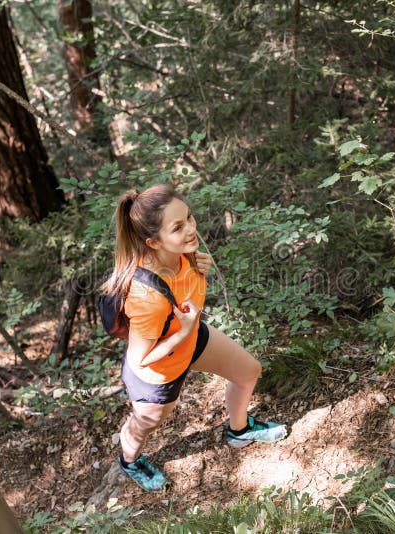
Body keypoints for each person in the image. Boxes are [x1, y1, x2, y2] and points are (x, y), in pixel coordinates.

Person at [100, 183, 286, 492]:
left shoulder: (184, 255)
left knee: (248, 372)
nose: (190, 229)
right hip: (158, 372)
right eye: (177, 227)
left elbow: (188, 294)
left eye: (188, 217)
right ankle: (129, 461)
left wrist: (200, 271)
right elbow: (140, 359)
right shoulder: (146, 297)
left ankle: (239, 430)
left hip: (191, 339)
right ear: (154, 242)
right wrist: (184, 330)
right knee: (146, 424)